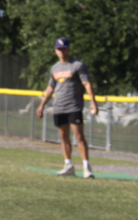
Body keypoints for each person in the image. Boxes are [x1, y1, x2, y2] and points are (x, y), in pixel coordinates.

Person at [36, 37, 99, 179]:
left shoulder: (78, 65)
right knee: (63, 137)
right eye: (59, 49)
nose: (62, 51)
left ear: (69, 49)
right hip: (59, 107)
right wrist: (42, 104)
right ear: (55, 51)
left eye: (64, 48)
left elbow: (87, 84)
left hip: (74, 107)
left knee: (79, 137)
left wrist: (93, 102)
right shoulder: (54, 68)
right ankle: (68, 165)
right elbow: (50, 87)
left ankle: (86, 168)